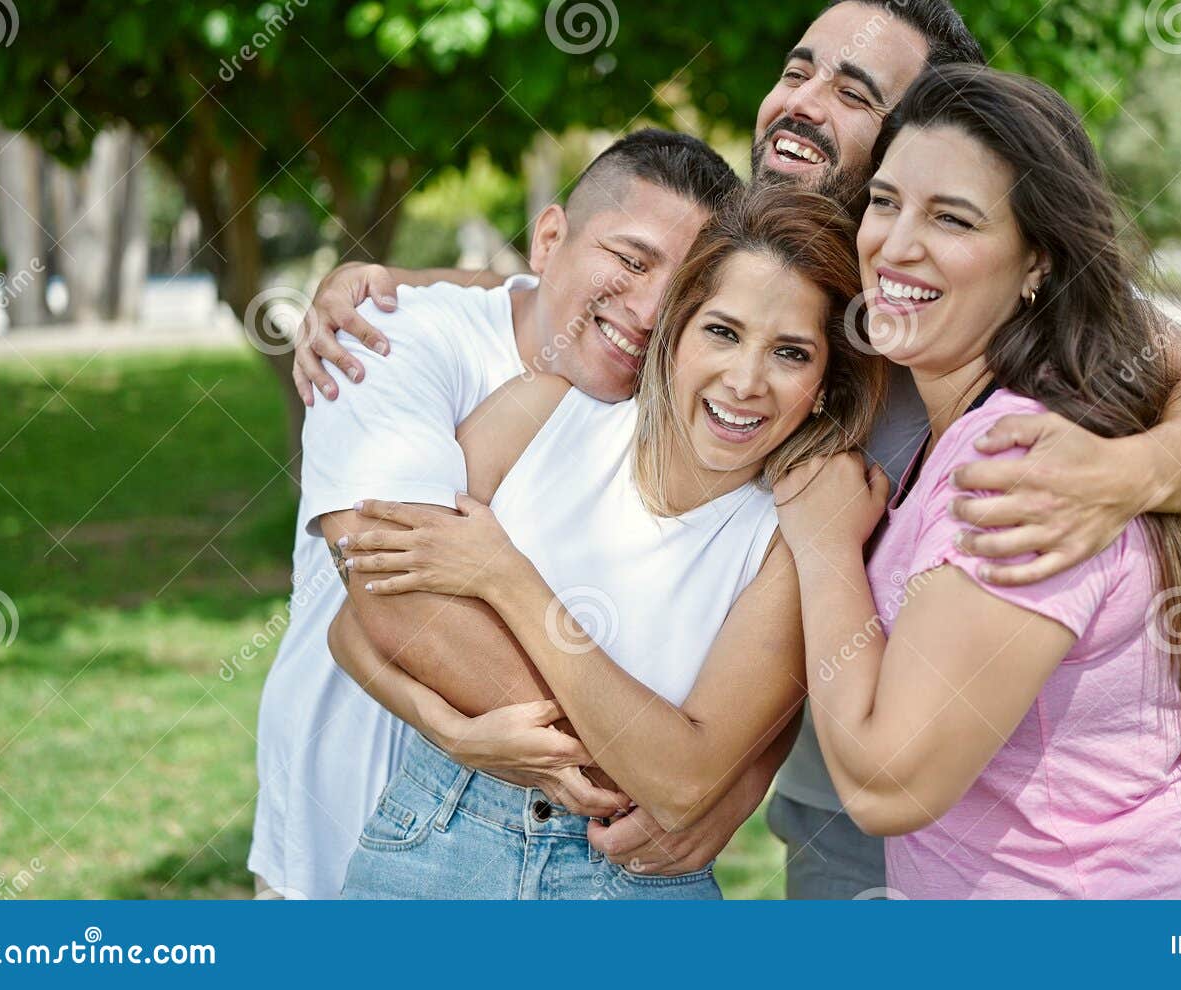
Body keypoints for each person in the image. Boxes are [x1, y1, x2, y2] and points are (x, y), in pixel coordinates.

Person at [288, 0, 1181, 898]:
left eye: (852, 90)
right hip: (843, 830)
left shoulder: (1001, 380)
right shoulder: (800, 282)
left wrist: (1120, 474)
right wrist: (398, 281)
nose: (801, 103)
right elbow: (617, 278)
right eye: (798, 69)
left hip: (990, 855)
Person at [776, 63, 1181, 898]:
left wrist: (822, 546)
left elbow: (891, 782)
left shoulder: (1014, 459)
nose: (896, 244)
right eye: (884, 203)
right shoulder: (985, 421)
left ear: (1036, 262)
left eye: (952, 219)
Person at [331, 186, 883, 898]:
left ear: (825, 380)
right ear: (676, 332)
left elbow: (682, 786)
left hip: (627, 881)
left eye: (790, 352)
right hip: (439, 832)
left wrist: (507, 578)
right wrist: (452, 730)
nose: (745, 381)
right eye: (722, 331)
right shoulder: (539, 416)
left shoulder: (790, 535)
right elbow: (363, 617)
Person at [247, 129, 739, 899]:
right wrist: (644, 760)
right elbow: (395, 589)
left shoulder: (685, 397)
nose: (648, 310)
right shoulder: (388, 336)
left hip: (561, 859)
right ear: (550, 238)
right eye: (631, 259)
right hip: (346, 804)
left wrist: (715, 778)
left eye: (684, 289)